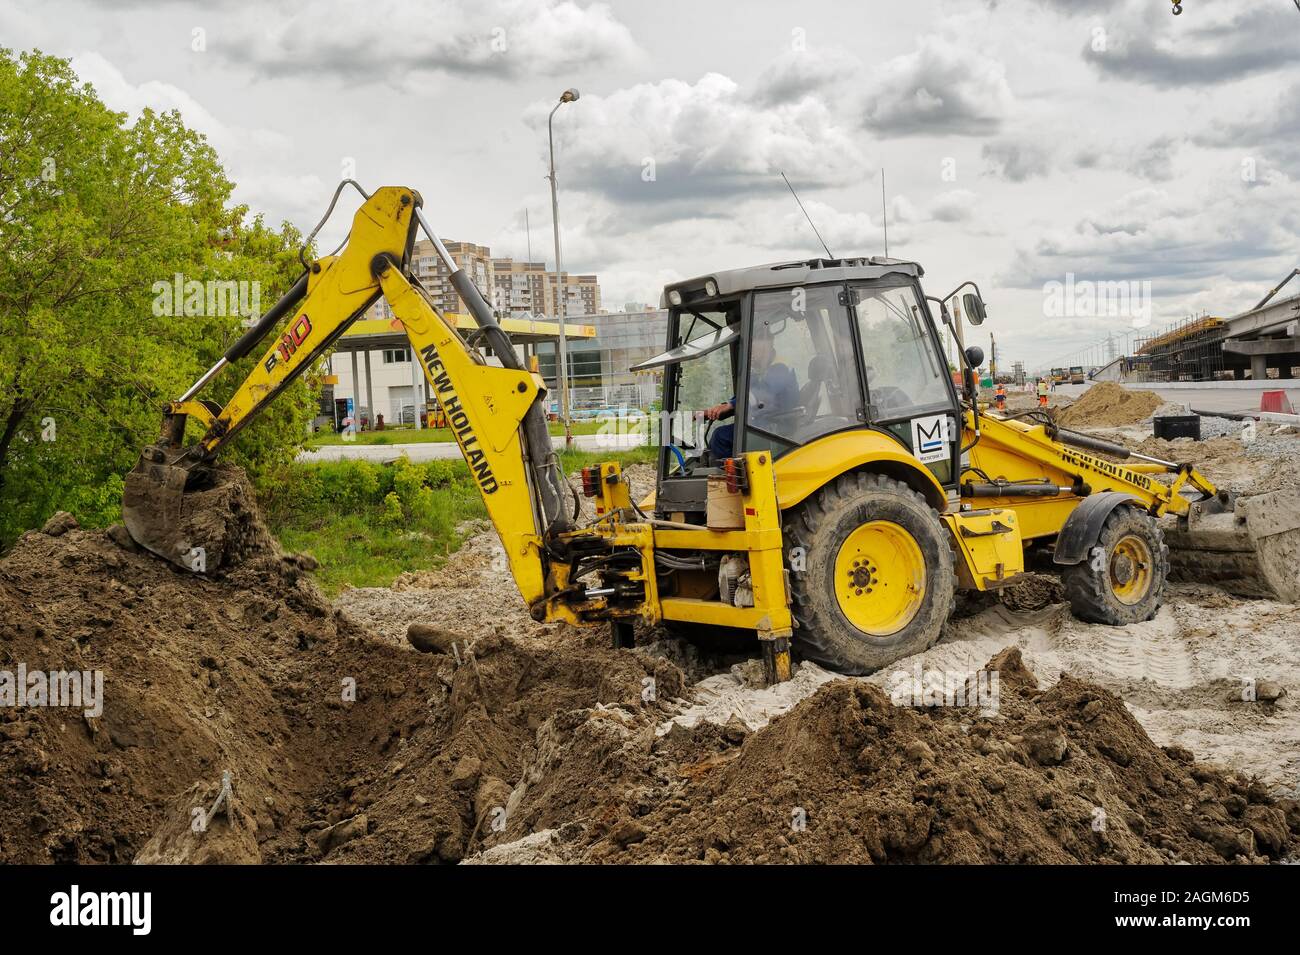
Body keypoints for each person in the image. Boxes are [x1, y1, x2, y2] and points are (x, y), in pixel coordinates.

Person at [704, 322, 798, 459]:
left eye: (753, 348)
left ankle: (733, 477)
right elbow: (746, 394)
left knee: (720, 436)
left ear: (767, 345)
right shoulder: (763, 369)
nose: (751, 353)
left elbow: (761, 394)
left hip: (777, 429)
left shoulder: (780, 367)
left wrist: (731, 405)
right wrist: (724, 407)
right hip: (766, 422)